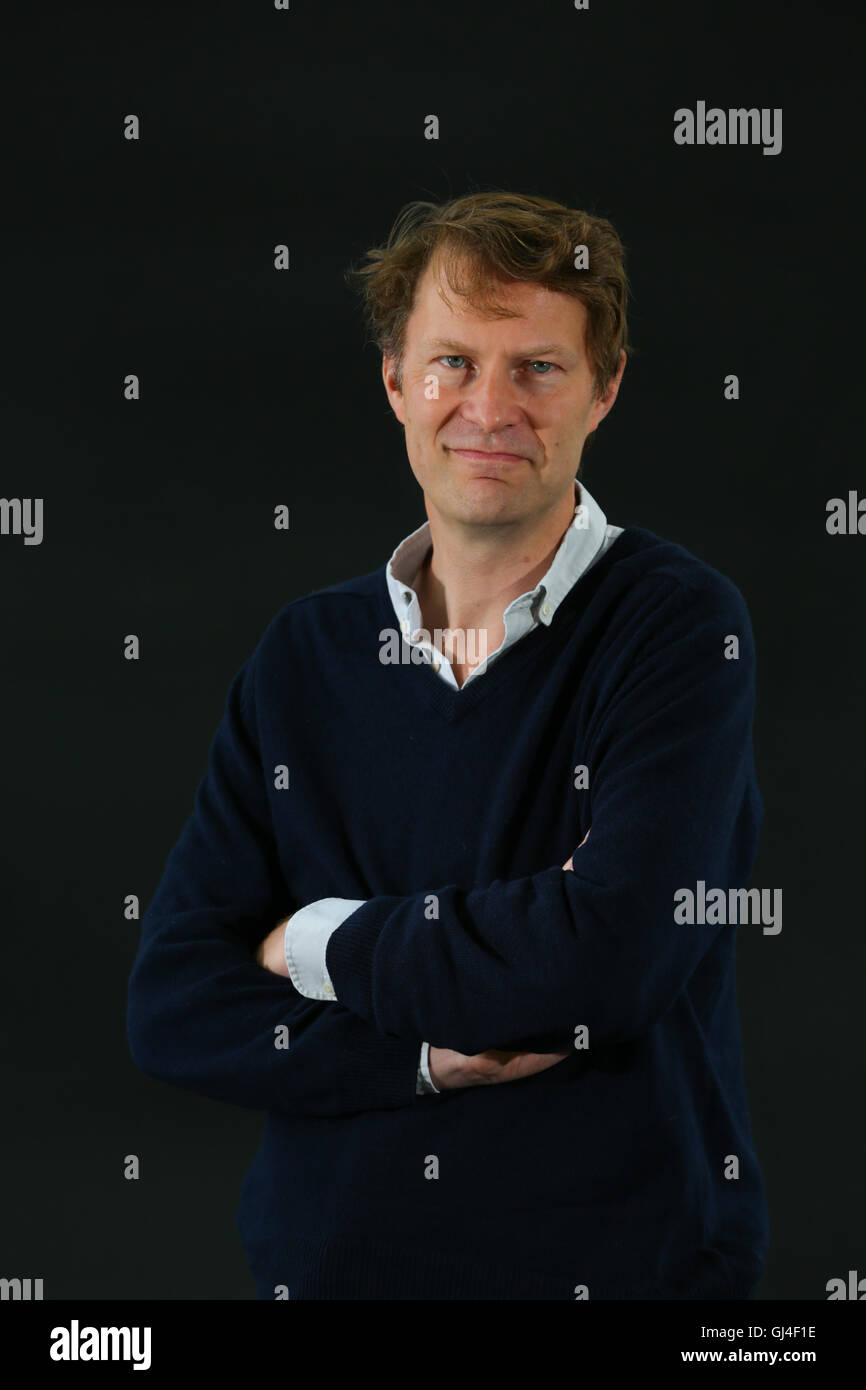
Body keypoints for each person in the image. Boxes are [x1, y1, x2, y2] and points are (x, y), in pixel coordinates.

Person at [127, 190, 769, 1300]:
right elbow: (176, 1003)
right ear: (394, 383)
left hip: (624, 1277)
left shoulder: (673, 629)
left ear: (603, 390)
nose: (487, 406)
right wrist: (424, 1057)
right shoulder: (304, 656)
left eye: (537, 368)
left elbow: (604, 961)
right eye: (451, 363)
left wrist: (316, 941)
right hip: (334, 1275)